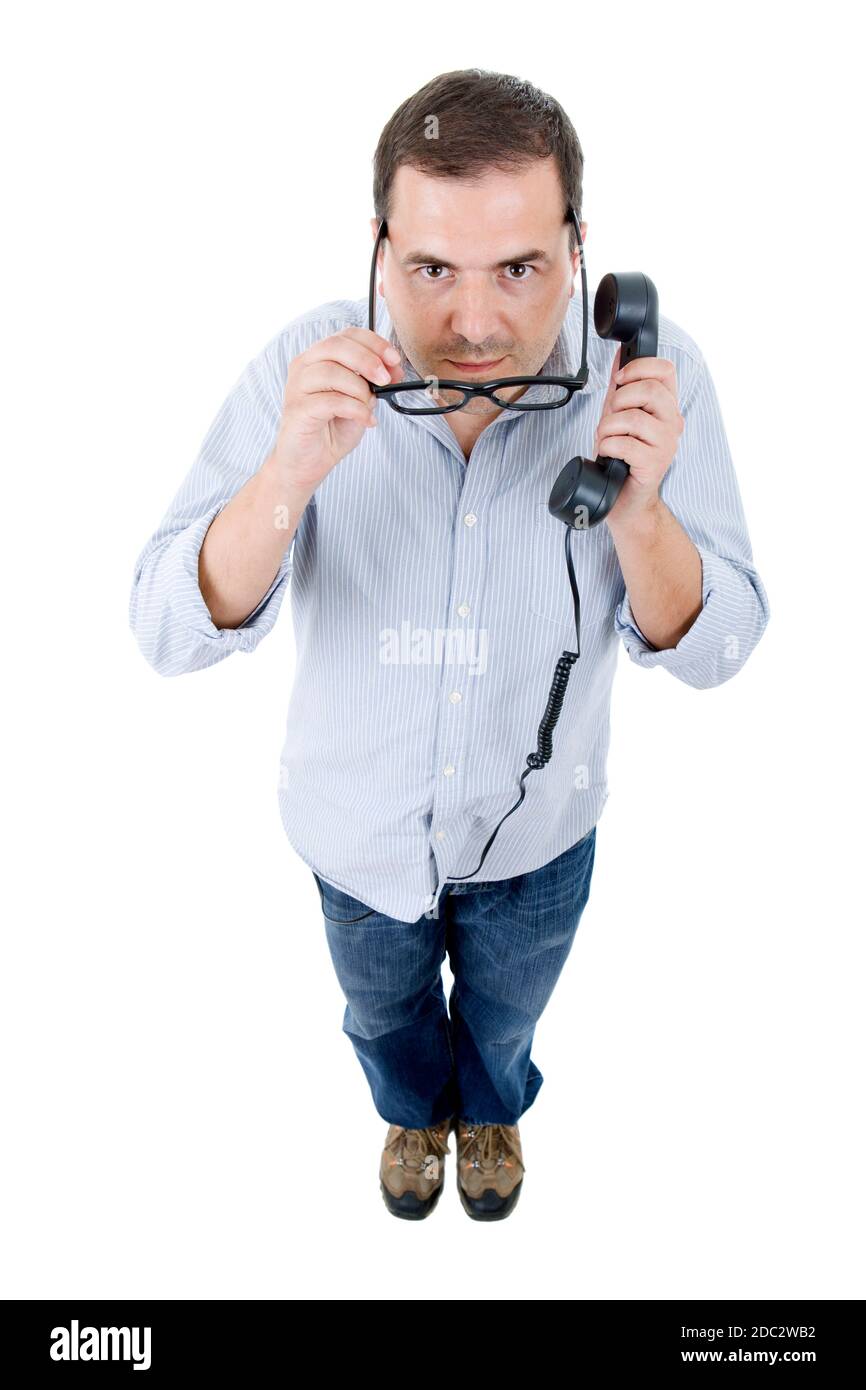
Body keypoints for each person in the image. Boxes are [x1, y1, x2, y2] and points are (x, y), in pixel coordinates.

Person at [128, 68, 770, 1223]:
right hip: (356, 835)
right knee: (382, 1021)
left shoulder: (645, 379)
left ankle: (491, 1117)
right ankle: (409, 1116)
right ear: (377, 246)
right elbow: (166, 631)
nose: (473, 325)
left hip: (539, 842)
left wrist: (640, 508)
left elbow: (720, 645)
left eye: (518, 268)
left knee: (506, 1021)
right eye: (431, 269)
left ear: (581, 251)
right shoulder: (303, 364)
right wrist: (286, 476)